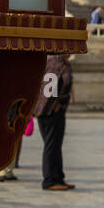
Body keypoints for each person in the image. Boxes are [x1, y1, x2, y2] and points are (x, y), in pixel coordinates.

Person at [34, 53, 74, 190]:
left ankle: (58, 177)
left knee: (54, 145)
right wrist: (60, 101)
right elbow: (67, 81)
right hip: (53, 111)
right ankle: (50, 180)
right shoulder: (61, 64)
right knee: (52, 146)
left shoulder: (46, 62)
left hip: (42, 110)